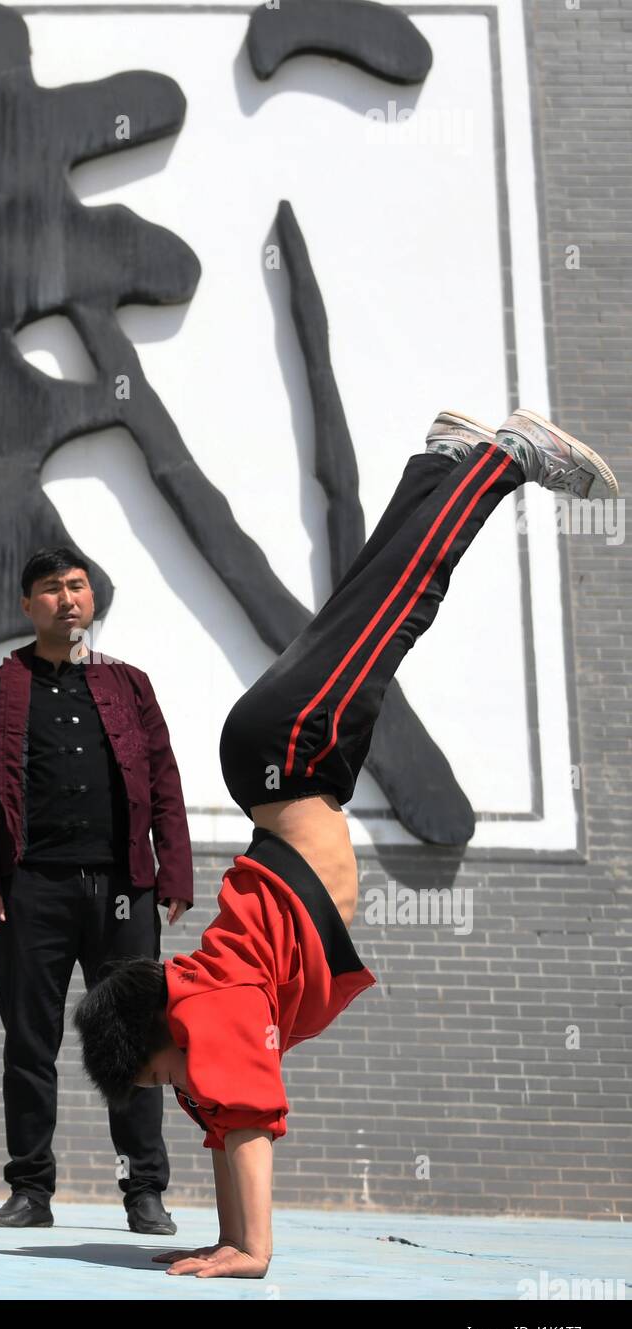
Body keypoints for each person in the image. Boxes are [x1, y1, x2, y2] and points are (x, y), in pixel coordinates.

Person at [73, 408, 620, 1278]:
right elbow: (226, 1124)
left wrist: (249, 1252)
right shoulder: (210, 1009)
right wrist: (227, 1235)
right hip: (285, 764)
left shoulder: (208, 1009)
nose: (172, 1094)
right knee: (369, 603)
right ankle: (443, 460)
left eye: (154, 1079)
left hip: (287, 753)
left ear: (160, 1034)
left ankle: (507, 458)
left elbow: (242, 1116)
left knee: (401, 603)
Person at [0, 546, 194, 1234]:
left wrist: (172, 869)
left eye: (77, 585)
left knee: (134, 1041)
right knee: (29, 1042)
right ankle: (30, 1192)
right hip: (32, 889)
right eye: (51, 590)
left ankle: (144, 1191)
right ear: (27, 606)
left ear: (90, 598)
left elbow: (164, 779)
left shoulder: (130, 684)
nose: (67, 599)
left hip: (124, 887)